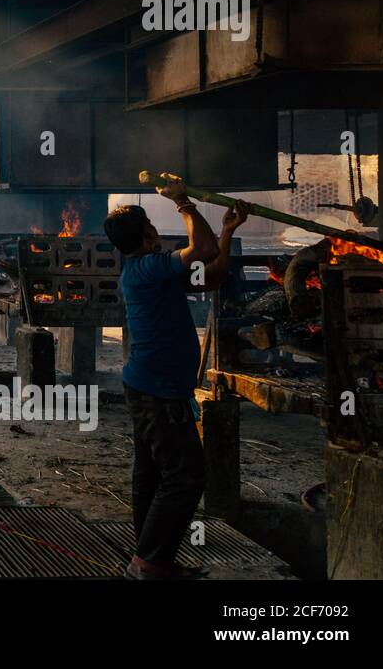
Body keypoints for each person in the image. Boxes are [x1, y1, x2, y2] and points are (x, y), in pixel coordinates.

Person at [104, 179, 248, 580]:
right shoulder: (145, 268)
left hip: (151, 387)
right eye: (151, 223)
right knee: (185, 477)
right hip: (159, 392)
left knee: (152, 474)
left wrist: (226, 232)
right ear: (146, 233)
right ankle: (149, 563)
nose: (155, 228)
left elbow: (211, 273)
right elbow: (199, 251)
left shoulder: (154, 271)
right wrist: (183, 203)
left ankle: (148, 557)